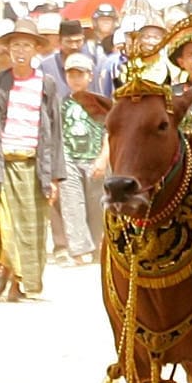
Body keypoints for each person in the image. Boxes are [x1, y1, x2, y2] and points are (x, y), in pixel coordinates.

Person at [0, 18, 65, 302]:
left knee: (27, 226)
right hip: (1, 165)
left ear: (36, 49)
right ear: (8, 50)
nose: (20, 51)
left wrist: (54, 177)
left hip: (33, 167)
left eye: (26, 45)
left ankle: (16, 280)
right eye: (15, 45)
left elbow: (55, 131)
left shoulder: (46, 84)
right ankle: (3, 271)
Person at [58, 55, 105, 264]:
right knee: (72, 203)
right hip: (69, 158)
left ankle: (100, 246)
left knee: (98, 204)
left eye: (80, 74)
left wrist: (103, 159)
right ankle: (78, 249)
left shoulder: (101, 104)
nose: (76, 79)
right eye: (71, 75)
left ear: (90, 76)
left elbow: (110, 133)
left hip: (94, 157)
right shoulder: (62, 103)